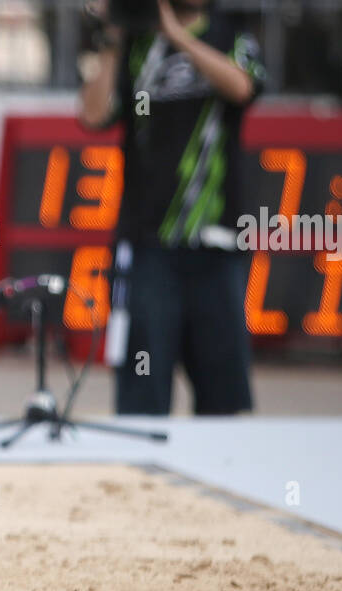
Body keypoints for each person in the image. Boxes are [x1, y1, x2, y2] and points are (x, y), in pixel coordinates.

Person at [79, 0, 264, 416]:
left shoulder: (232, 35)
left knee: (223, 402)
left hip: (217, 244)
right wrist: (112, 37)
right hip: (148, 247)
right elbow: (92, 114)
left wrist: (179, 38)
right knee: (142, 399)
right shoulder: (134, 45)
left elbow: (242, 87)